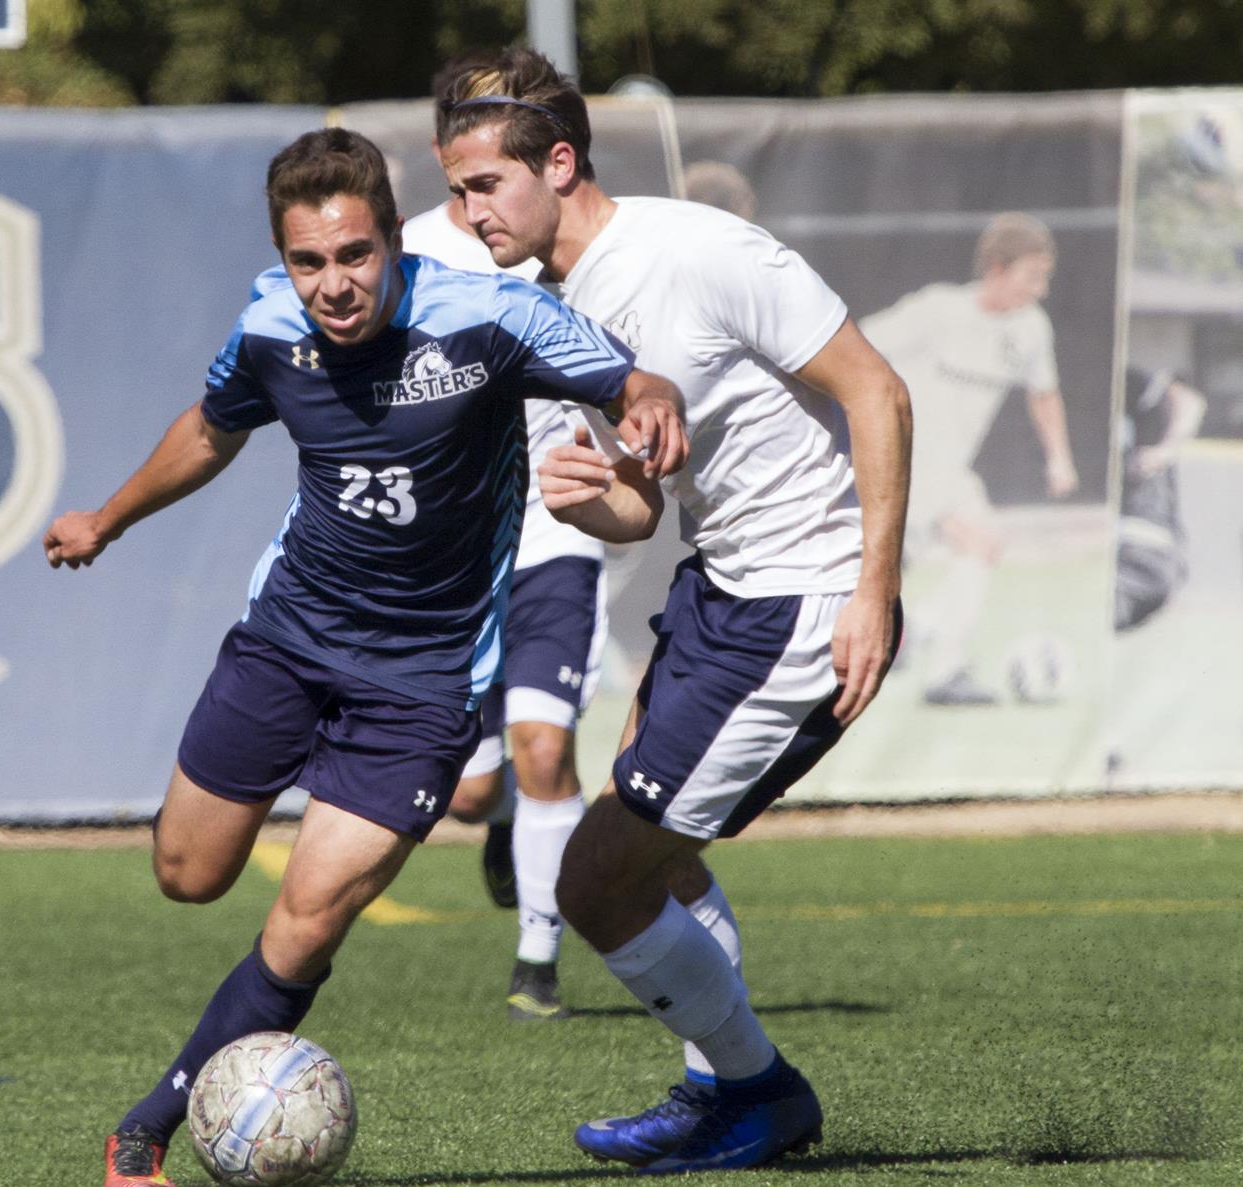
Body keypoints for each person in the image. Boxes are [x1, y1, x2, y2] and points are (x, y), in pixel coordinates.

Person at [45, 127, 686, 1187]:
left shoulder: (488, 316)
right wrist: (106, 519)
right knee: (186, 874)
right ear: (282, 259)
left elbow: (629, 382)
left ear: (393, 238)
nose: (333, 284)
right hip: (286, 642)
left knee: (307, 918)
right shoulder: (269, 325)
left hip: (421, 684)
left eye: (354, 254)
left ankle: (143, 1130)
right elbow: (209, 429)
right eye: (308, 261)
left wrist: (647, 399)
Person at [436, 48, 911, 1172]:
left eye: (483, 185)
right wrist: (589, 498)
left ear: (559, 163)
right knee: (649, 849)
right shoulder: (564, 303)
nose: (466, 213)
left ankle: (756, 1093)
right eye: (455, 190)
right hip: (717, 586)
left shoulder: (699, 249)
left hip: (801, 600)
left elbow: (876, 391)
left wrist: (872, 591)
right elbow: (642, 509)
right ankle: (719, 1088)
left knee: (595, 877)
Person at [401, 57, 610, 1023]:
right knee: (469, 792)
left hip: (554, 537)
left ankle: (538, 961)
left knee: (542, 745)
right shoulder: (409, 251)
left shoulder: (563, 242)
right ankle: (507, 821)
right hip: (456, 557)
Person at [858, 212, 1077, 705]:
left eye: (1044, 278)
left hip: (947, 468)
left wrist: (1059, 458)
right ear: (996, 269)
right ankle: (937, 664)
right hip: (899, 458)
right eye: (1031, 276)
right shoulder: (939, 309)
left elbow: (1043, 393)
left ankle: (919, 643)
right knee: (975, 541)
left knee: (979, 547)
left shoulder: (1031, 328)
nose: (1040, 290)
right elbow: (855, 348)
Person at [1116, 365, 1206, 630]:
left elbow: (1189, 401)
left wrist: (1165, 450)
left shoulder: (1131, 387)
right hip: (1125, 548)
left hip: (1148, 549)